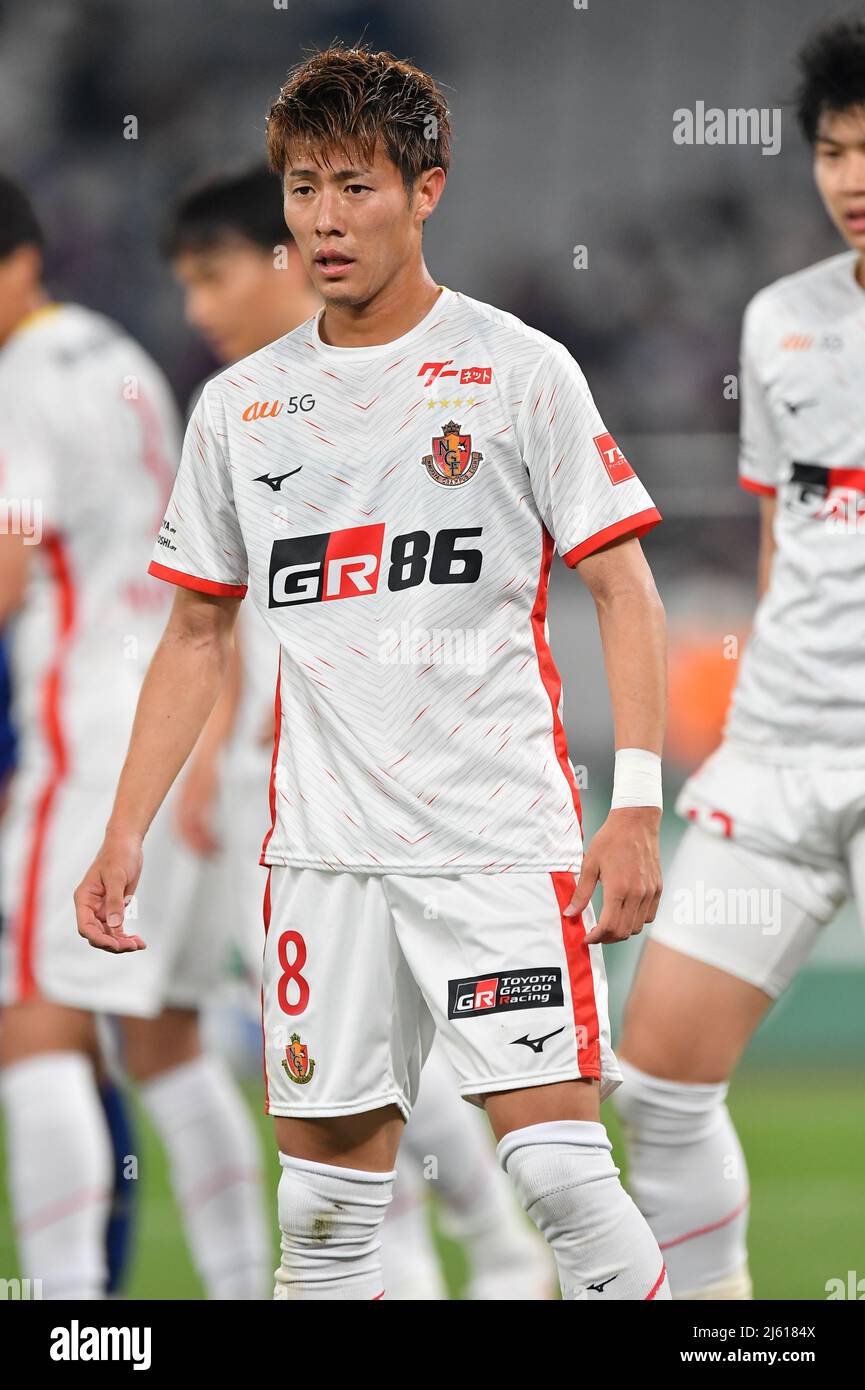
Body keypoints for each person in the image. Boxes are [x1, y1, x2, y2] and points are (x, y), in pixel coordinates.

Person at [75, 44, 669, 1302]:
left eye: (356, 185)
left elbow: (622, 586)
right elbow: (194, 633)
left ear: (427, 189)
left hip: (495, 840)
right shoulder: (241, 409)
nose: (324, 220)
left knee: (562, 1179)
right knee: (328, 1225)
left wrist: (636, 801)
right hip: (322, 860)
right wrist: (122, 827)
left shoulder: (516, 370)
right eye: (301, 188)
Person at [614, 16, 865, 1300]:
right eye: (831, 149)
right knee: (652, 1083)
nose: (851, 177)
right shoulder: (782, 322)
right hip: (778, 751)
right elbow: (784, 535)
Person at [0, 174, 269, 1300]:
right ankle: (244, 1286)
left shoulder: (15, 381)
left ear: (16, 262)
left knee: (31, 1022)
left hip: (88, 730)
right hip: (176, 712)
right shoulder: (124, 358)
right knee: (165, 1040)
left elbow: (10, 563)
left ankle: (63, 1311)